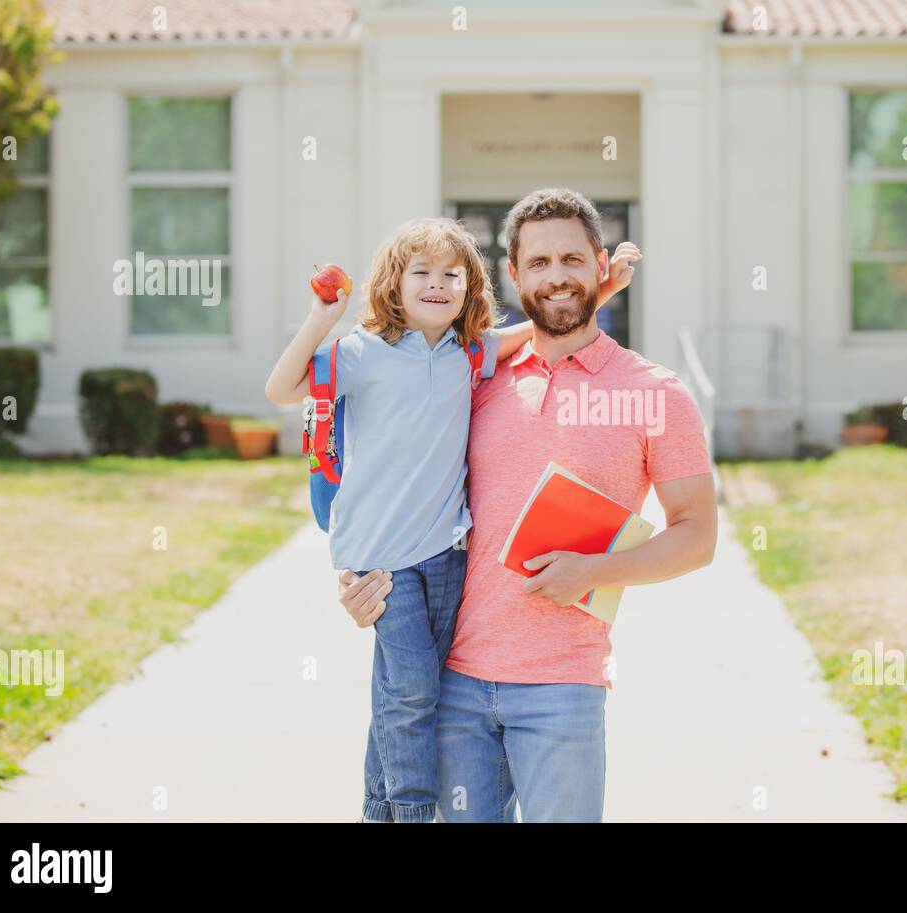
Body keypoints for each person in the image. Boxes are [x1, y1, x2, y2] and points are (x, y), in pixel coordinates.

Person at [337, 189, 716, 822]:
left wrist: (593, 571)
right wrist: (365, 580)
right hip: (455, 682)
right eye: (538, 263)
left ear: (601, 266)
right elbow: (392, 475)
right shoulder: (473, 375)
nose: (557, 275)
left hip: (563, 686)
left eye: (572, 258)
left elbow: (698, 537)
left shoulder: (655, 393)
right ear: (513, 276)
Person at [265, 217, 639, 822]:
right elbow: (283, 389)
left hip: (445, 554)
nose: (437, 285)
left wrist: (602, 289)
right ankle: (410, 811)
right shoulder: (362, 352)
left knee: (410, 691)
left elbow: (537, 329)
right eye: (422, 273)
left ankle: (377, 809)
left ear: (470, 289)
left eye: (452, 275)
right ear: (395, 282)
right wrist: (320, 319)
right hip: (380, 558)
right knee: (410, 691)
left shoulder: (471, 354)